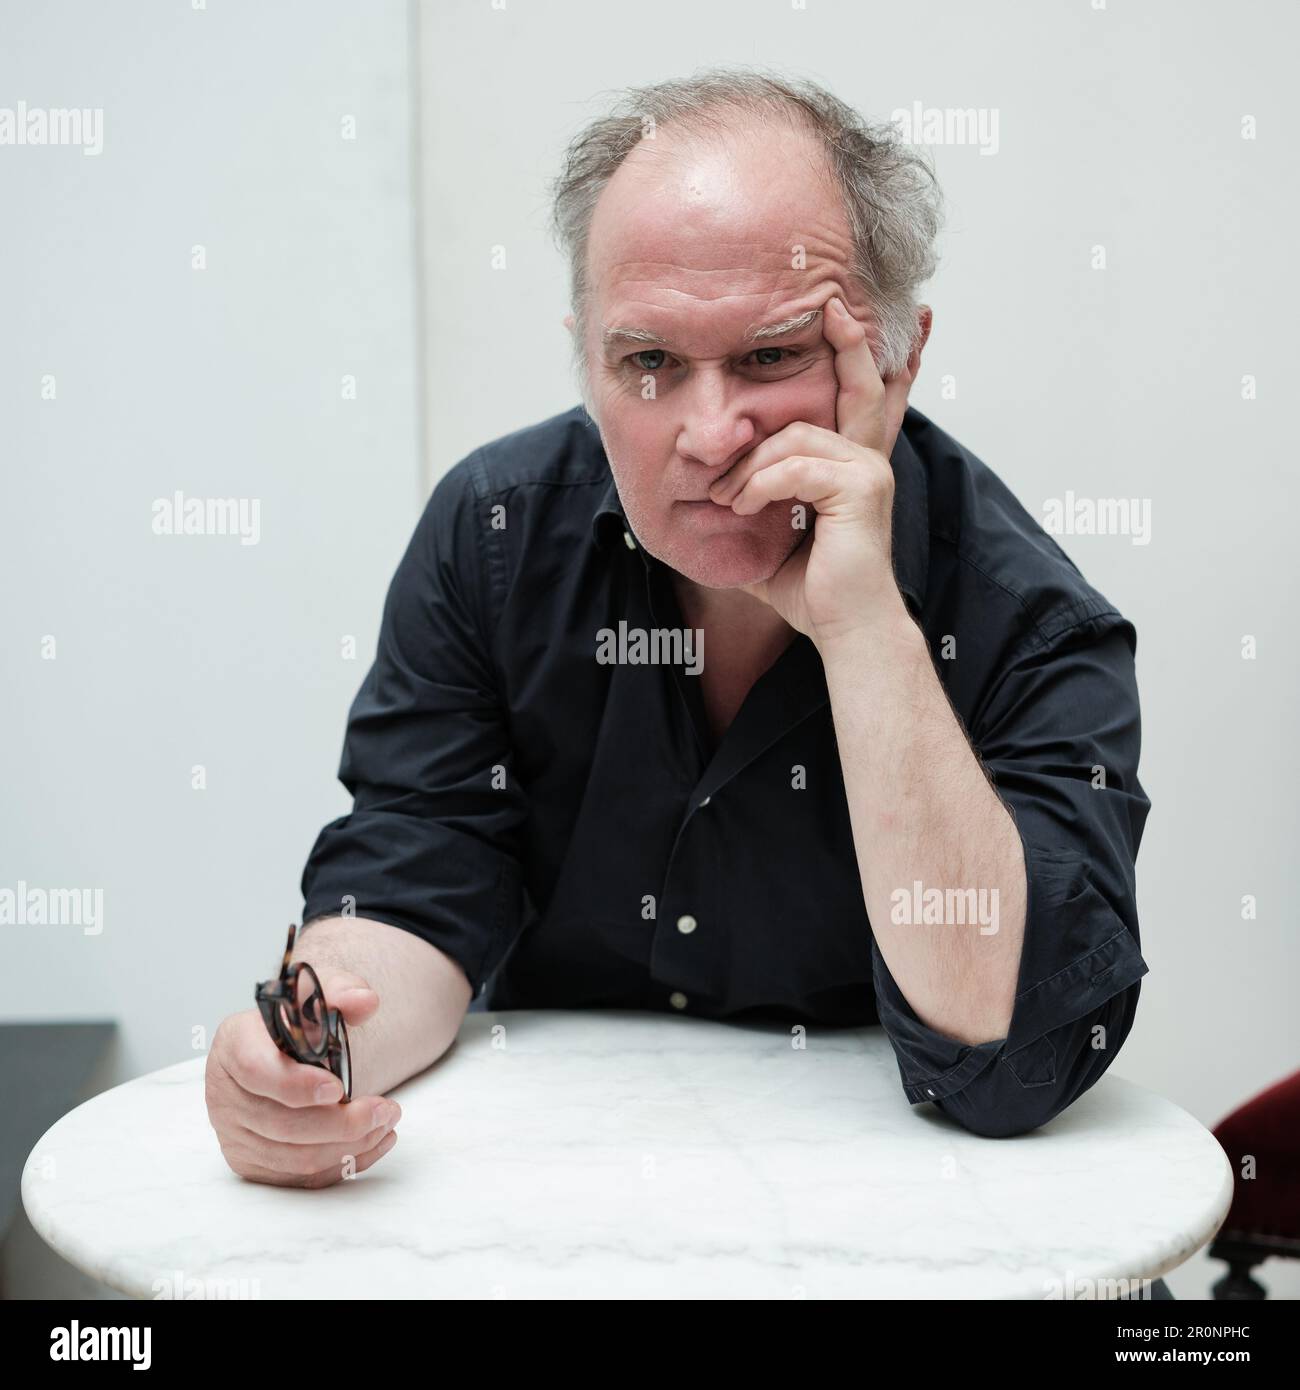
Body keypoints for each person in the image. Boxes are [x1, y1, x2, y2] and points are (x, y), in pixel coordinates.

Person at [206, 69, 1150, 1192]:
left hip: (901, 1211)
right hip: (555, 1188)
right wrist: (311, 1056)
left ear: (892, 359)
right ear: (588, 355)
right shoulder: (492, 532)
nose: (708, 433)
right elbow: (417, 876)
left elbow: (1007, 1051)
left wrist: (862, 630)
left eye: (769, 357)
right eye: (648, 362)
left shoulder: (1026, 617)